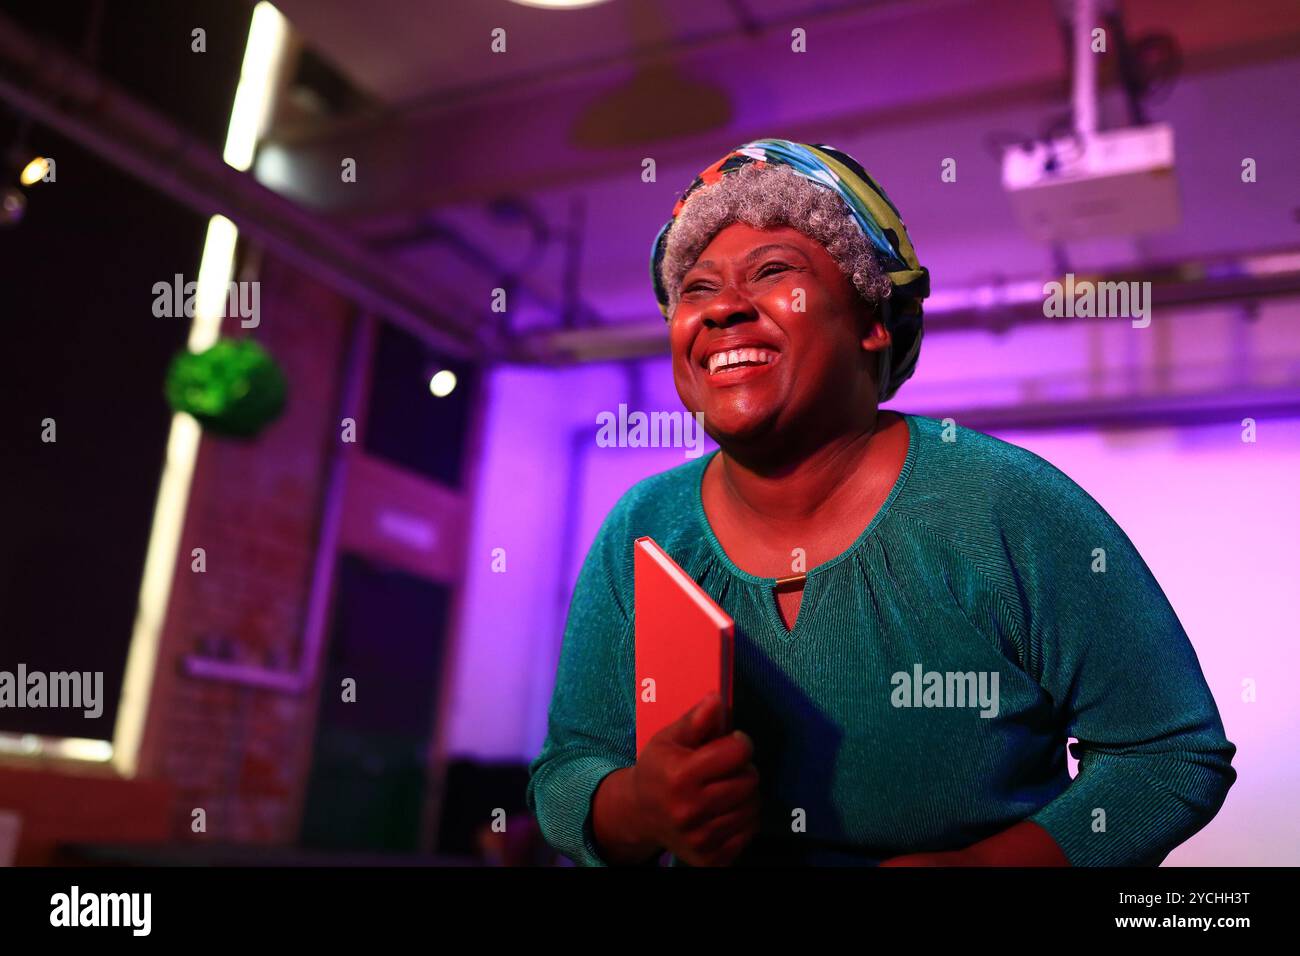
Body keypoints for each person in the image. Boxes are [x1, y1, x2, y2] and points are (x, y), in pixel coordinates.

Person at [525, 138, 1236, 866]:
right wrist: (641, 806)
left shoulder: (1003, 506)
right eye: (697, 290)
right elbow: (568, 772)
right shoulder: (642, 530)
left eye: (773, 272)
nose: (722, 309)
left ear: (872, 319)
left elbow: (1169, 755)